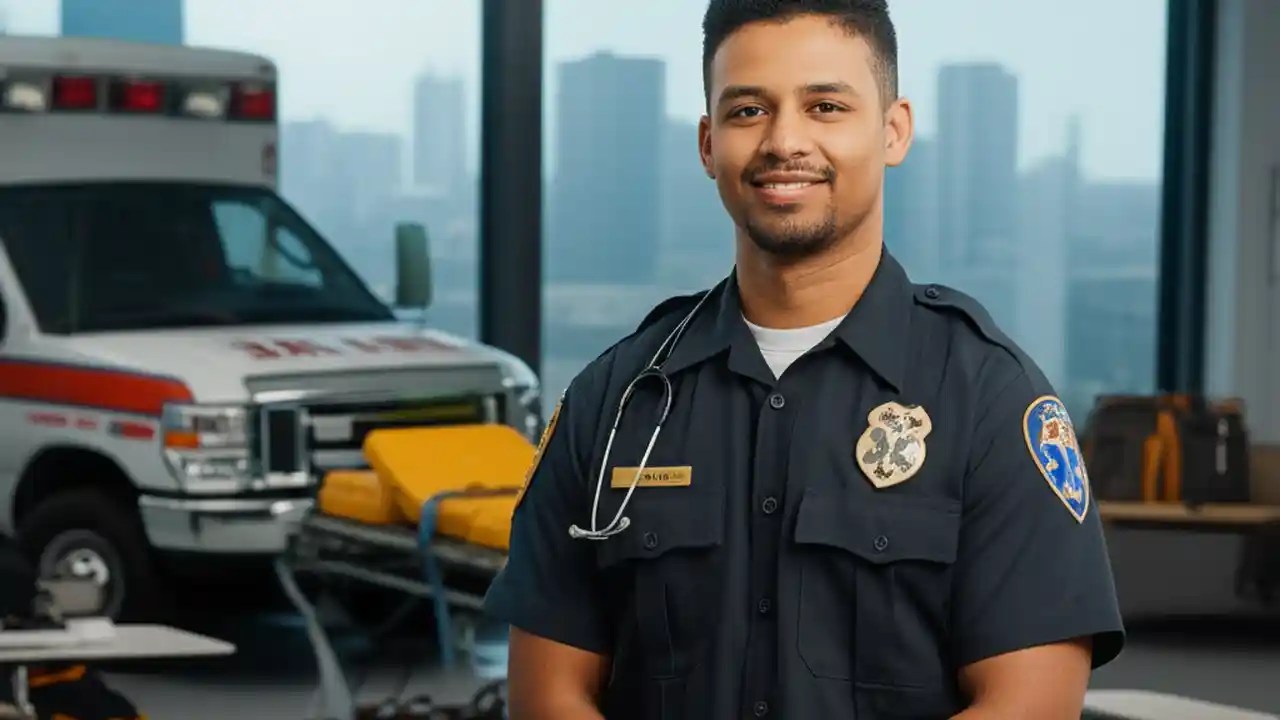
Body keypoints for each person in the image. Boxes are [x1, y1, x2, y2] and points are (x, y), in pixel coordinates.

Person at [482, 0, 1126, 717]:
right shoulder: (616, 398)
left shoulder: (989, 400)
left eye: (825, 106)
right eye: (748, 110)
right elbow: (547, 696)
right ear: (707, 143)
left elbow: (1030, 705)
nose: (784, 141)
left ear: (893, 130)